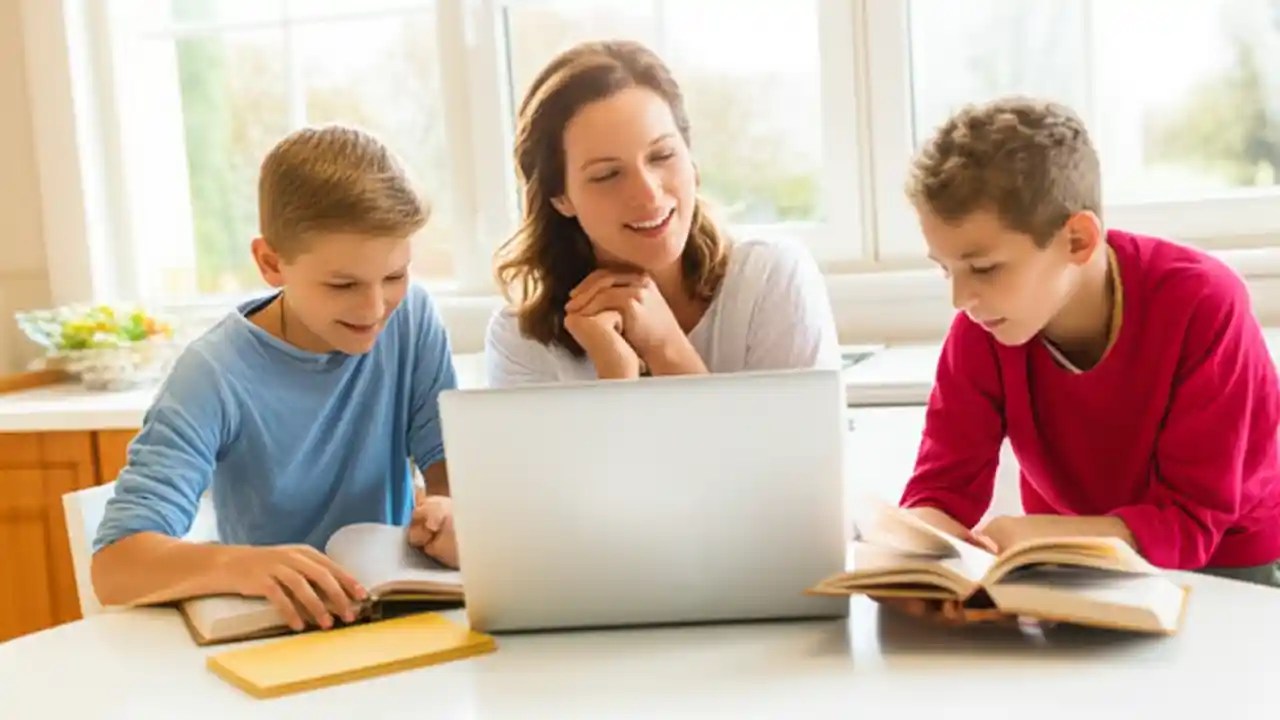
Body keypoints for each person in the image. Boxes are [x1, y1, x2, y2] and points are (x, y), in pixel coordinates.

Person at [91, 125, 462, 632]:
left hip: (398, 619)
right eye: (342, 284)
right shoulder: (214, 372)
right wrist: (239, 564)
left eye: (395, 276)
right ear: (270, 263)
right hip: (275, 636)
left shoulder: (412, 318)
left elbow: (452, 480)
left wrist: (449, 514)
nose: (376, 308)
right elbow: (115, 566)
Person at [898, 96, 1280, 587]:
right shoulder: (984, 323)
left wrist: (1041, 538)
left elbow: (1190, 525)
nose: (960, 298)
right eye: (944, 269)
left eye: (984, 268)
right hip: (1073, 564)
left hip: (1229, 566)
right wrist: (921, 542)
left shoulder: (1203, 304)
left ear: (1077, 240)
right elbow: (939, 491)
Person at [485, 40, 840, 386]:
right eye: (608, 175)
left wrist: (667, 349)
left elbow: (795, 447)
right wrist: (615, 378)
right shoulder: (520, 342)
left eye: (662, 156)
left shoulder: (769, 280)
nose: (648, 193)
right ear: (560, 196)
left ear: (690, 158)